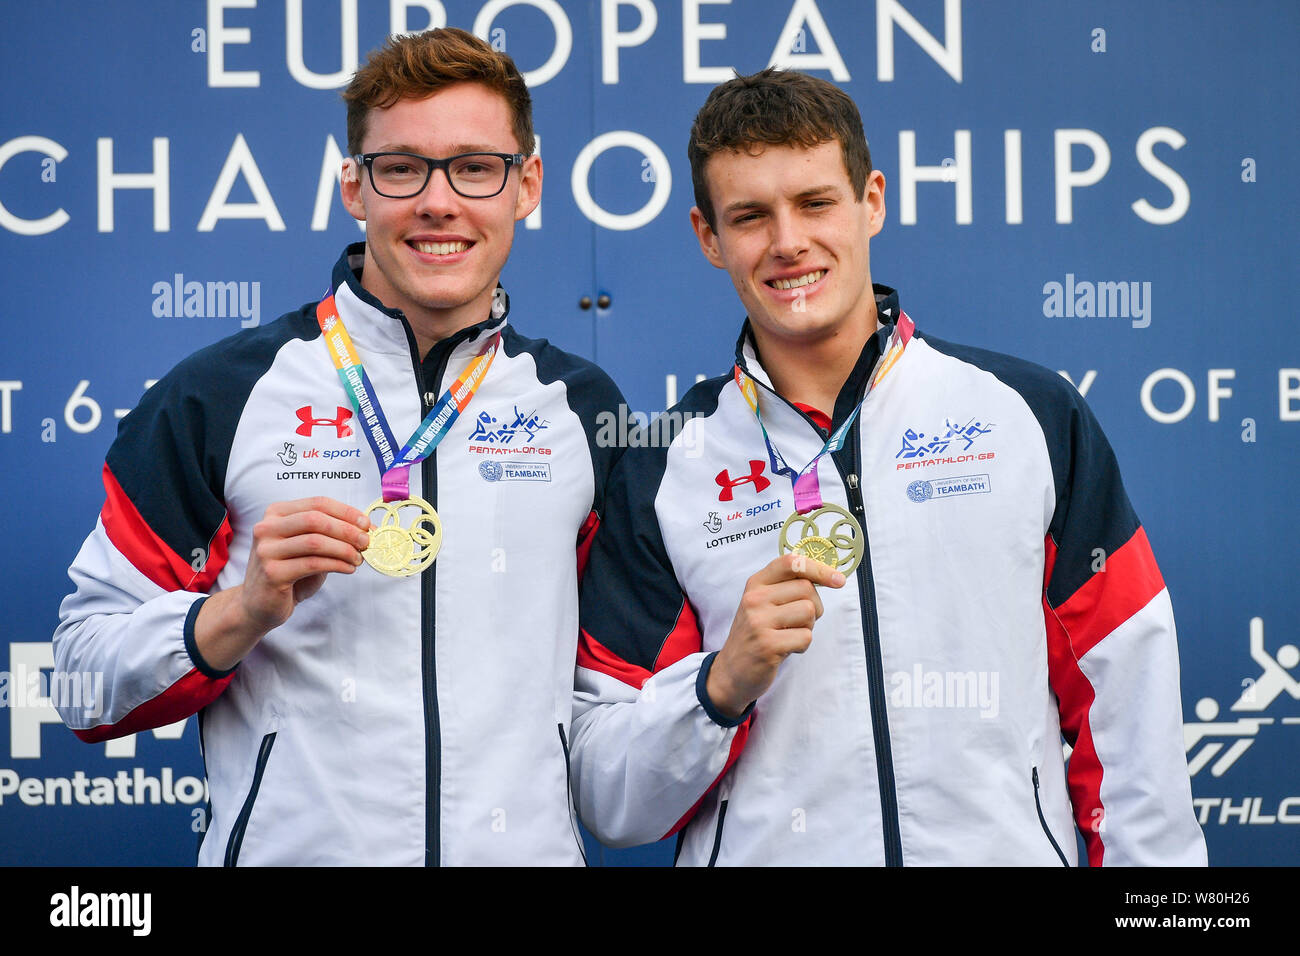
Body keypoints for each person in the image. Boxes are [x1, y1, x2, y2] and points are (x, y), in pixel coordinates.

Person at [569, 68, 1207, 865]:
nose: (788, 241)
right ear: (708, 237)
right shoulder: (664, 464)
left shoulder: (1027, 415)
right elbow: (605, 793)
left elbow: (1126, 701)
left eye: (815, 202)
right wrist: (717, 688)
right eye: (750, 216)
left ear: (871, 199)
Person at [53, 27, 623, 866]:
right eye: (401, 168)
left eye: (475, 166)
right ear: (355, 188)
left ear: (526, 184)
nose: (438, 201)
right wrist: (234, 614)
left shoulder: (582, 410)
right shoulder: (222, 393)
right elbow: (77, 682)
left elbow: (618, 701)